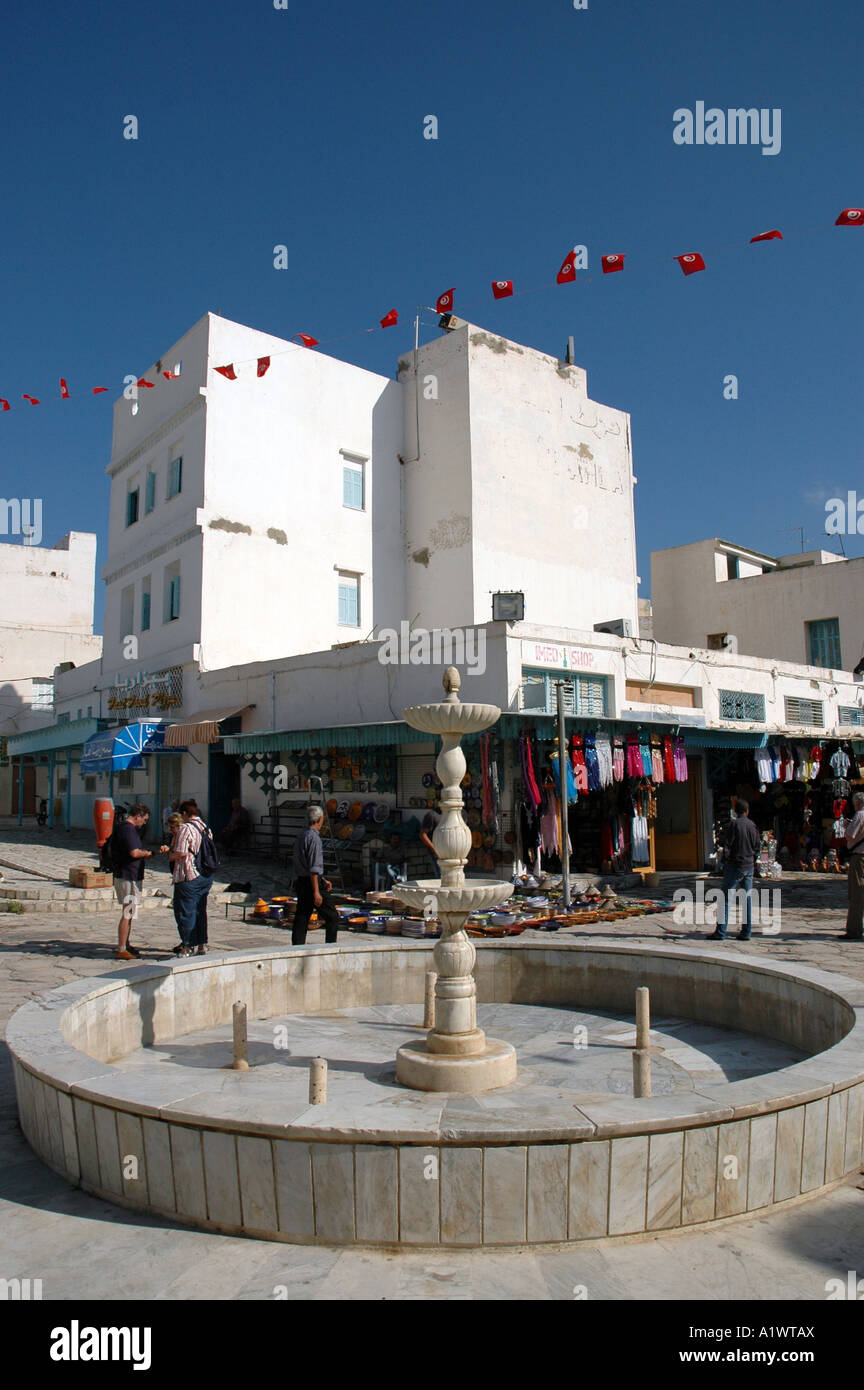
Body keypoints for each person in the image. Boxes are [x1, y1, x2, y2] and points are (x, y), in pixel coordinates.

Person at [166, 799, 214, 957]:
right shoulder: (205, 827)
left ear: (185, 814)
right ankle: (201, 945)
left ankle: (186, 946)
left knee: (185, 912)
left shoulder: (186, 828)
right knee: (200, 911)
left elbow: (180, 853)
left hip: (188, 875)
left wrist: (169, 855)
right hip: (205, 875)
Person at [709, 798, 761, 941]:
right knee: (747, 899)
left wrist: (724, 862)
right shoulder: (752, 826)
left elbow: (727, 846)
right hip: (748, 866)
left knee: (726, 899)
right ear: (747, 811)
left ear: (735, 811)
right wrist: (753, 860)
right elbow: (757, 847)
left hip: (734, 866)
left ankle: (720, 932)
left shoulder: (733, 825)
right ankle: (746, 932)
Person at [291, 805, 340, 945]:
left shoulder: (302, 835)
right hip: (311, 882)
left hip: (302, 880)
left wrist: (322, 879)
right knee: (332, 916)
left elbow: (305, 863)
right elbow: (313, 867)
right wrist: (317, 891)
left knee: (302, 916)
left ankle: (297, 946)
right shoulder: (314, 838)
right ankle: (330, 947)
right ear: (319, 819)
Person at [113, 803, 153, 960]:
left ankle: (126, 943)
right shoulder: (128, 829)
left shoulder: (124, 828)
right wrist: (148, 853)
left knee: (130, 911)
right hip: (128, 875)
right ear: (138, 816)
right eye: (144, 819)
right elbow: (134, 852)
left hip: (128, 874)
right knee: (128, 912)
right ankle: (122, 948)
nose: (145, 823)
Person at [840, 791, 864, 940]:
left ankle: (854, 929)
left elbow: (850, 835)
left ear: (857, 803)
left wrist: (846, 826)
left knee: (857, 894)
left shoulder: (860, 815)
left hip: (860, 857)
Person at [420, 806, 441, 877]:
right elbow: (423, 834)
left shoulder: (449, 814)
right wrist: (434, 849)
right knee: (441, 877)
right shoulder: (432, 815)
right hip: (436, 854)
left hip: (449, 853)